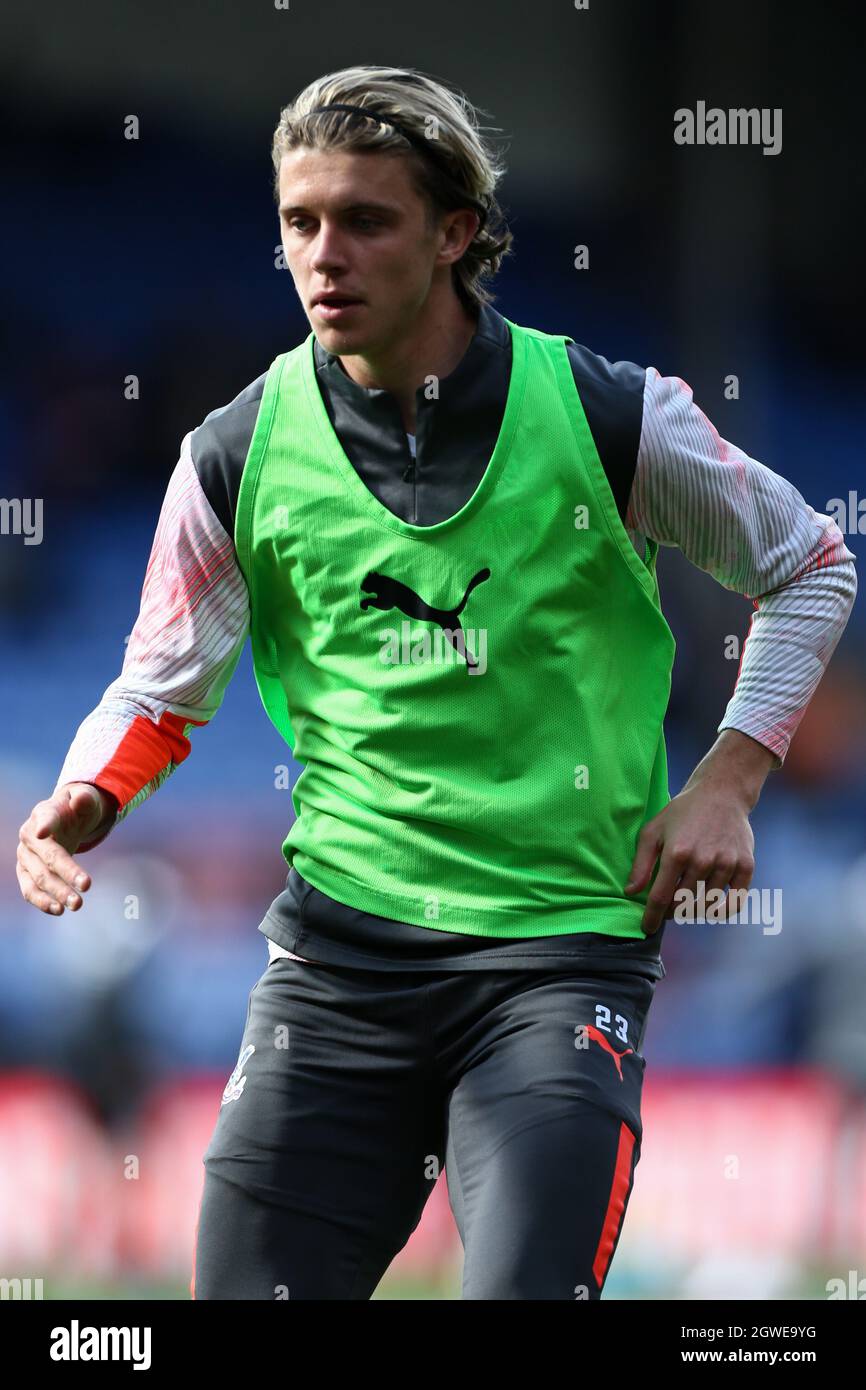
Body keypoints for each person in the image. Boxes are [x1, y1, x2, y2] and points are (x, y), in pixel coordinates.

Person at [16, 64, 857, 1300]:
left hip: (556, 960)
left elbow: (808, 564)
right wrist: (84, 796)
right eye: (299, 221)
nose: (323, 254)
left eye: (364, 220)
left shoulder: (607, 416)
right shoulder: (233, 454)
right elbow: (158, 685)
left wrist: (728, 778)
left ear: (456, 233)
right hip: (335, 969)